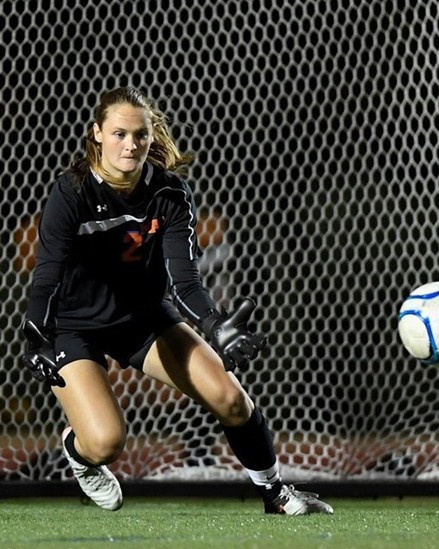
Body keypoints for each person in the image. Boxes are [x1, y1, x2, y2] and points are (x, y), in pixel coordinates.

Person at [21, 86, 333, 515]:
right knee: (106, 442)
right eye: (118, 134)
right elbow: (47, 274)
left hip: (143, 319)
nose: (130, 144)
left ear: (151, 136)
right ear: (96, 134)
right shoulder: (72, 192)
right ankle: (78, 452)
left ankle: (275, 494)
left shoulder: (169, 193)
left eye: (140, 135)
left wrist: (214, 325)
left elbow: (184, 281)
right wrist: (34, 330)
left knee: (230, 397)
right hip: (75, 326)